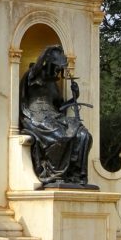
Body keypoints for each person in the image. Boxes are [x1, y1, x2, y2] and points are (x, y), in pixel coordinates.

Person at [19, 45, 93, 187]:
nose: (58, 71)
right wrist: (49, 51)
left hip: (54, 116)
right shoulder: (33, 76)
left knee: (84, 135)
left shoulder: (53, 85)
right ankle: (56, 174)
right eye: (56, 67)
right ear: (48, 63)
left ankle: (77, 175)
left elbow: (61, 107)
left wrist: (75, 96)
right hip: (36, 118)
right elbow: (39, 66)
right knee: (61, 136)